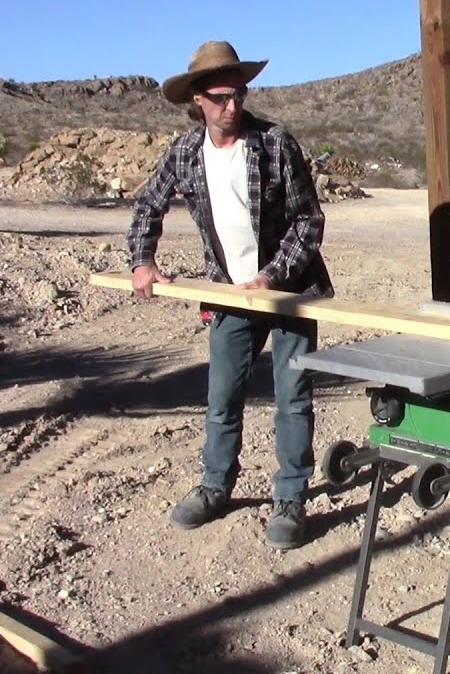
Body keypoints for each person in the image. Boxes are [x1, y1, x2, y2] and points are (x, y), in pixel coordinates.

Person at [126, 40, 332, 550]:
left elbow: (310, 222)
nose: (232, 106)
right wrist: (142, 260)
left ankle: (290, 498)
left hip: (289, 292)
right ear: (197, 99)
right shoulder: (184, 152)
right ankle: (216, 486)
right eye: (220, 97)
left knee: (292, 398)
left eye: (238, 94)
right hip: (228, 294)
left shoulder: (275, 144)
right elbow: (147, 204)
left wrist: (272, 275)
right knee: (222, 398)